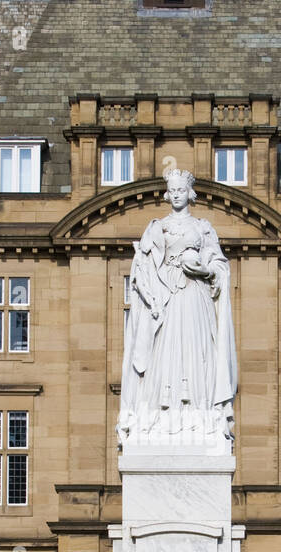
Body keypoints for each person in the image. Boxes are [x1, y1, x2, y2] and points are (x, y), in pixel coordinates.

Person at [118, 167, 237, 447]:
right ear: (167, 194)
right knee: (165, 353)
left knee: (196, 352)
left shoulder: (203, 227)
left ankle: (199, 416)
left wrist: (205, 269)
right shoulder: (157, 227)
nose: (176, 195)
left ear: (190, 193)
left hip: (195, 296)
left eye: (181, 190)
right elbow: (142, 268)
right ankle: (164, 417)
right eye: (171, 191)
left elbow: (220, 266)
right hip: (166, 298)